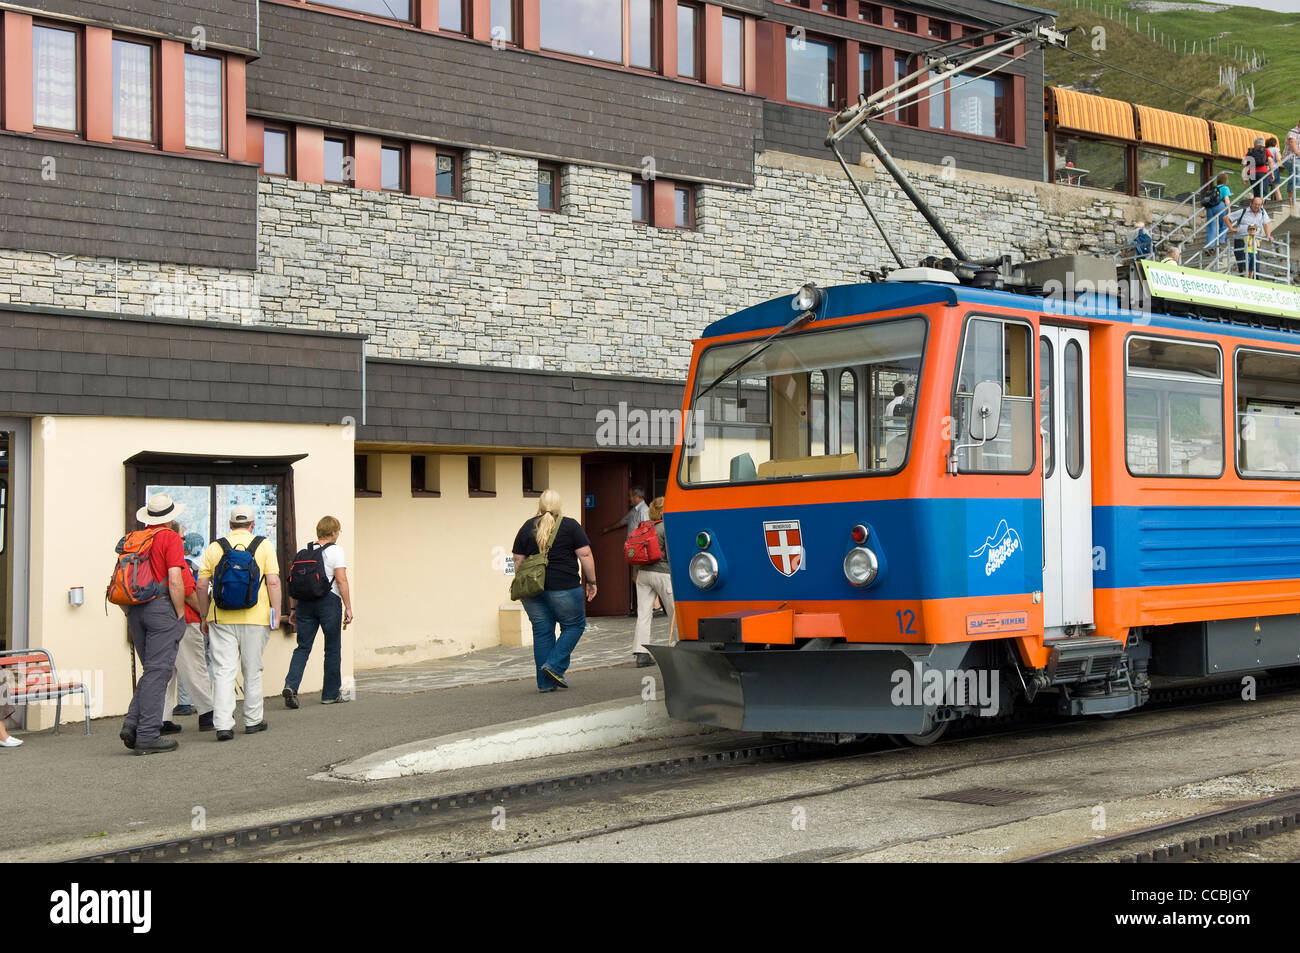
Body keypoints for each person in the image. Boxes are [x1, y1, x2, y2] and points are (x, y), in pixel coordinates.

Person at [196, 504, 282, 740]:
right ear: (252, 525)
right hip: (256, 617)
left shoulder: (215, 547)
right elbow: (273, 582)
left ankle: (223, 724)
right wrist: (276, 613)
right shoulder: (263, 545)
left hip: (221, 617)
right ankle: (253, 720)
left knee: (223, 671)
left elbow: (201, 585)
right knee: (252, 669)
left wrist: (204, 616)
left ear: (230, 525)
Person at [117, 494, 189, 756]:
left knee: (152, 672)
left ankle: (132, 725)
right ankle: (147, 734)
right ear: (169, 518)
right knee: (159, 673)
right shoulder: (169, 538)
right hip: (160, 608)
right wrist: (179, 613)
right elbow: (175, 580)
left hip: (135, 609)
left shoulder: (136, 539)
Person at [512, 490, 597, 692]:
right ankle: (554, 666)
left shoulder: (527, 526)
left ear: (540, 505)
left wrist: (525, 582)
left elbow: (517, 559)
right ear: (559, 505)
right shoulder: (570, 526)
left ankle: (544, 683)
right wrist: (592, 581)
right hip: (564, 587)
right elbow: (585, 555)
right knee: (574, 626)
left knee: (542, 632)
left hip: (531, 590)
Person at [283, 515, 354, 708]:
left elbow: (292, 582)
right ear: (333, 532)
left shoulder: (303, 552)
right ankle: (330, 694)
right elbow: (341, 580)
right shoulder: (336, 551)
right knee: (332, 648)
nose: (338, 534)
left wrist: (293, 608)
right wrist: (348, 606)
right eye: (338, 531)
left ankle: (291, 685)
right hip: (328, 602)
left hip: (304, 603)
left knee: (303, 647)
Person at [161, 522, 215, 732]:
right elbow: (189, 592)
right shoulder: (178, 563)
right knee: (196, 667)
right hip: (186, 619)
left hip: (161, 621)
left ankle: (162, 718)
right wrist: (205, 614)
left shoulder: (154, 558)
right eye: (182, 538)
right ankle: (206, 713)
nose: (184, 542)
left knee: (165, 671)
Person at [631, 497, 674, 668]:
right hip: (663, 574)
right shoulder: (666, 527)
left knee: (644, 615)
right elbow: (671, 556)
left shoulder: (644, 527)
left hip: (643, 574)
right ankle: (676, 648)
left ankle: (641, 654)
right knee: (674, 614)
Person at [602, 486, 650, 615]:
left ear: (636, 497)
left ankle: (651, 606)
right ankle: (645, 607)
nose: (629, 498)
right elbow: (623, 522)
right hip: (633, 549)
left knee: (638, 577)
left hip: (639, 549)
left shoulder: (644, 511)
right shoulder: (634, 511)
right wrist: (607, 529)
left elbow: (646, 529)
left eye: (630, 496)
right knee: (637, 577)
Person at [1234, 195, 1273, 277]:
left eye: (1259, 204)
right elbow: (1226, 218)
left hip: (1254, 241)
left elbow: (1266, 224)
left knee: (1254, 265)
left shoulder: (1262, 212)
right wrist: (1231, 228)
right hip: (1241, 240)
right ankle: (1244, 281)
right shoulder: (1243, 211)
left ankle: (1254, 281)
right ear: (1251, 203)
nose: (1257, 206)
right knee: (1243, 264)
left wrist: (1268, 235)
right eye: (1255, 204)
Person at [1203, 173, 1231, 250]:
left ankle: (1210, 246)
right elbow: (1226, 199)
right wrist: (1229, 209)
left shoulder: (1213, 188)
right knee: (1225, 223)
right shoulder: (1225, 188)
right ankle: (1220, 240)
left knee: (1211, 226)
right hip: (1220, 205)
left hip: (1210, 208)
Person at [1284, 119, 1300, 204]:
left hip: (1298, 158)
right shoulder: (1293, 132)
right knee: (1295, 172)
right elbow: (1292, 143)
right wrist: (1297, 152)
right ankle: (1291, 196)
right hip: (1290, 158)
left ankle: (1293, 194)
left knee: (1297, 174)